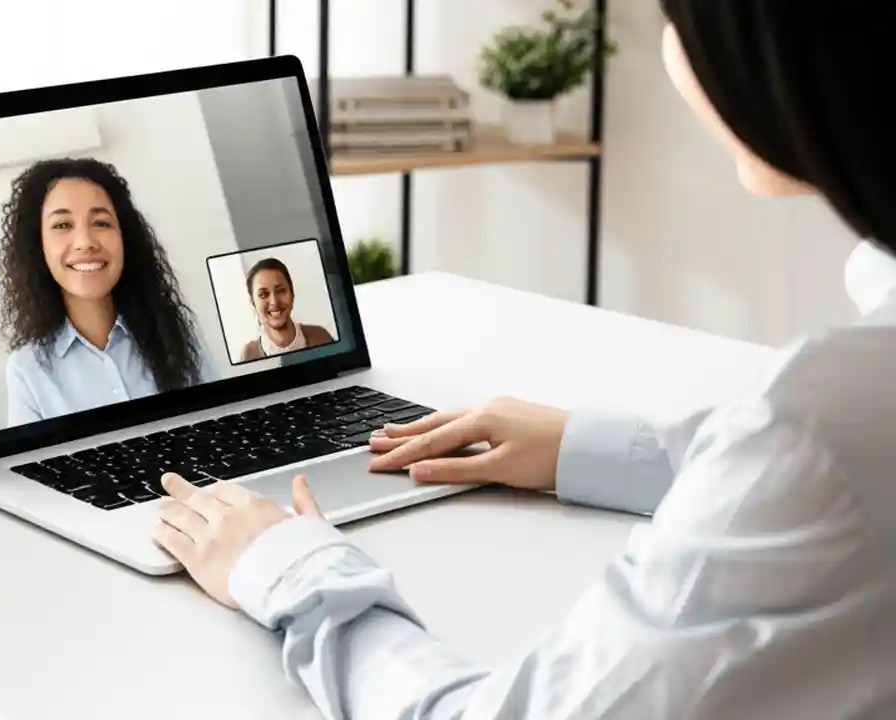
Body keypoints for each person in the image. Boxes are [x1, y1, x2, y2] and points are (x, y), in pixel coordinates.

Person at [151, 3, 896, 718]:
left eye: (676, 18)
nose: (674, 54)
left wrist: (291, 568)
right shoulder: (846, 408)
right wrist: (589, 447)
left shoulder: (822, 427)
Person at [0, 157, 219, 424]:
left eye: (101, 223)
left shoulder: (175, 335)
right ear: (38, 246)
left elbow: (225, 428)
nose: (85, 242)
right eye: (62, 225)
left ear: (125, 237)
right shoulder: (28, 369)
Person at [239, 258, 336, 361]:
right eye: (263, 294)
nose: (274, 302)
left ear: (292, 293)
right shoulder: (248, 355)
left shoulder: (321, 337)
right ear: (253, 302)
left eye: (281, 291)